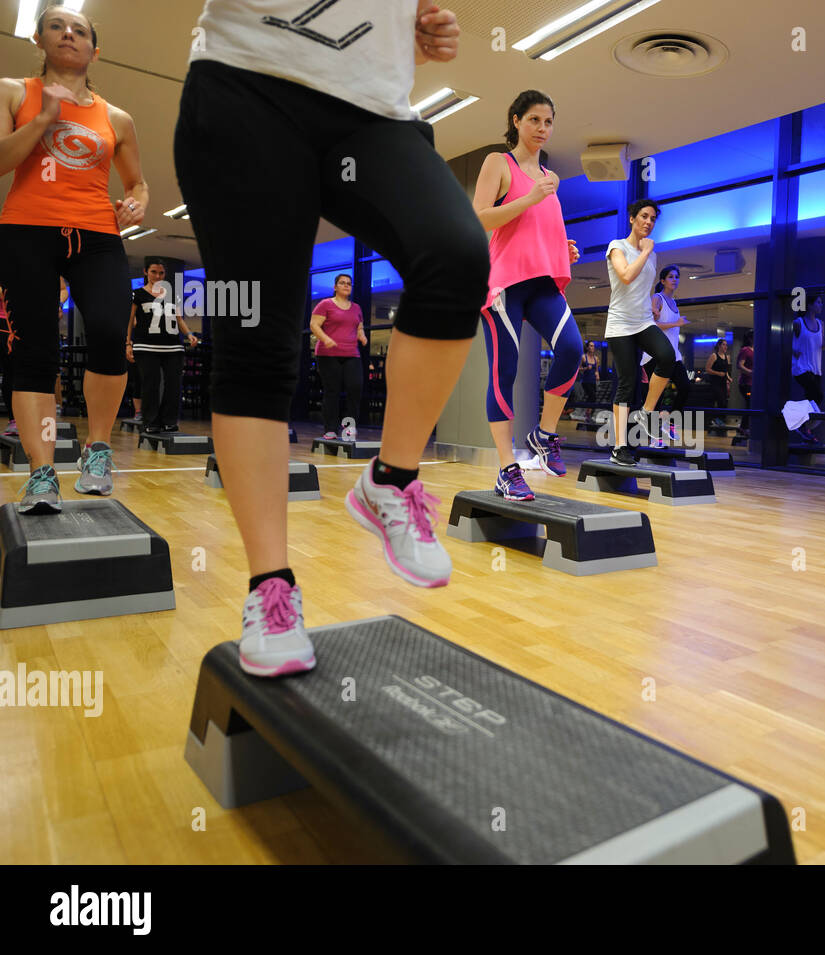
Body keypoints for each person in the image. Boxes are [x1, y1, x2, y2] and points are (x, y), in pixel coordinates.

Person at [173, 1, 490, 676]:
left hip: (372, 110)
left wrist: (404, 33)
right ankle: (271, 587)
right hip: (244, 83)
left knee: (458, 257)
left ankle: (391, 478)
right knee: (256, 338)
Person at [0, 4, 146, 509]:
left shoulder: (117, 117)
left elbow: (138, 183)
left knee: (109, 331)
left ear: (94, 51)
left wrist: (139, 201)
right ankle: (42, 472)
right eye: (57, 27)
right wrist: (43, 117)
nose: (68, 34)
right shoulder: (12, 91)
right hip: (26, 230)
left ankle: (98, 449)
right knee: (34, 352)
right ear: (39, 40)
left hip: (97, 234)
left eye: (79, 30)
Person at [472, 90, 582, 501]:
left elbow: (535, 228)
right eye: (534, 119)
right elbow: (481, 217)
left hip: (542, 281)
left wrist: (560, 247)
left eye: (549, 122)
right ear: (516, 120)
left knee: (572, 347)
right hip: (504, 284)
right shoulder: (498, 163)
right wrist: (530, 196)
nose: (542, 128)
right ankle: (506, 469)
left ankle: (544, 434)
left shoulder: (549, 177)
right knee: (506, 370)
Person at [604, 200, 674, 465]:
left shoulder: (651, 254)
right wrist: (644, 252)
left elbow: (642, 289)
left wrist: (652, 310)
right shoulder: (617, 246)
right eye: (644, 216)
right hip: (620, 324)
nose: (648, 222)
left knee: (667, 356)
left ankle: (646, 411)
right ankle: (619, 447)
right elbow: (625, 276)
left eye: (653, 218)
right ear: (632, 219)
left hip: (644, 321)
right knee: (627, 382)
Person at [128, 258, 200, 434]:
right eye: (154, 272)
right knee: (150, 384)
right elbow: (129, 321)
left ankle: (169, 421)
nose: (157, 276)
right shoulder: (136, 294)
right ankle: (150, 421)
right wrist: (128, 343)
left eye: (161, 273)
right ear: (146, 272)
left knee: (174, 385)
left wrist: (189, 333)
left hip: (173, 346)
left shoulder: (171, 294)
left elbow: (179, 319)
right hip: (146, 346)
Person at [309, 273, 367, 442]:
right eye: (342, 283)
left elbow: (359, 327)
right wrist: (326, 339)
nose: (346, 285)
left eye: (349, 283)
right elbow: (314, 325)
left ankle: (349, 427)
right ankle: (330, 429)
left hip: (351, 354)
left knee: (355, 388)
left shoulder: (356, 307)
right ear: (335, 287)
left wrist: (362, 336)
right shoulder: (325, 304)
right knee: (332, 391)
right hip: (328, 354)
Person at [641, 265, 691, 443]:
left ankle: (668, 420)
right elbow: (650, 325)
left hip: (673, 354)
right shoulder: (657, 298)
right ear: (662, 281)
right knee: (657, 395)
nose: (674, 280)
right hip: (655, 354)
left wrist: (677, 323)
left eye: (677, 277)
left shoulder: (674, 303)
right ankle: (655, 438)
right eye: (671, 277)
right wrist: (676, 324)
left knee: (685, 386)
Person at [790, 293, 825, 441]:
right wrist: (793, 350)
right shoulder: (798, 323)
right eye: (818, 302)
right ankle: (802, 425)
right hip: (800, 367)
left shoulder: (821, 324)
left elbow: (820, 347)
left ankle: (804, 428)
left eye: (821, 303)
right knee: (818, 395)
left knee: (810, 398)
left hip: (816, 368)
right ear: (810, 305)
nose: (821, 305)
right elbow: (786, 341)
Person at [571, 340, 601, 422]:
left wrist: (597, 374)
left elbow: (596, 370)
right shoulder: (583, 357)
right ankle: (587, 414)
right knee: (592, 396)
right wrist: (586, 368)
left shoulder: (596, 358)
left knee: (593, 398)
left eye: (593, 346)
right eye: (591, 346)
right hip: (585, 381)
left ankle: (588, 415)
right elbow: (578, 369)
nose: (592, 347)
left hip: (593, 381)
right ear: (587, 347)